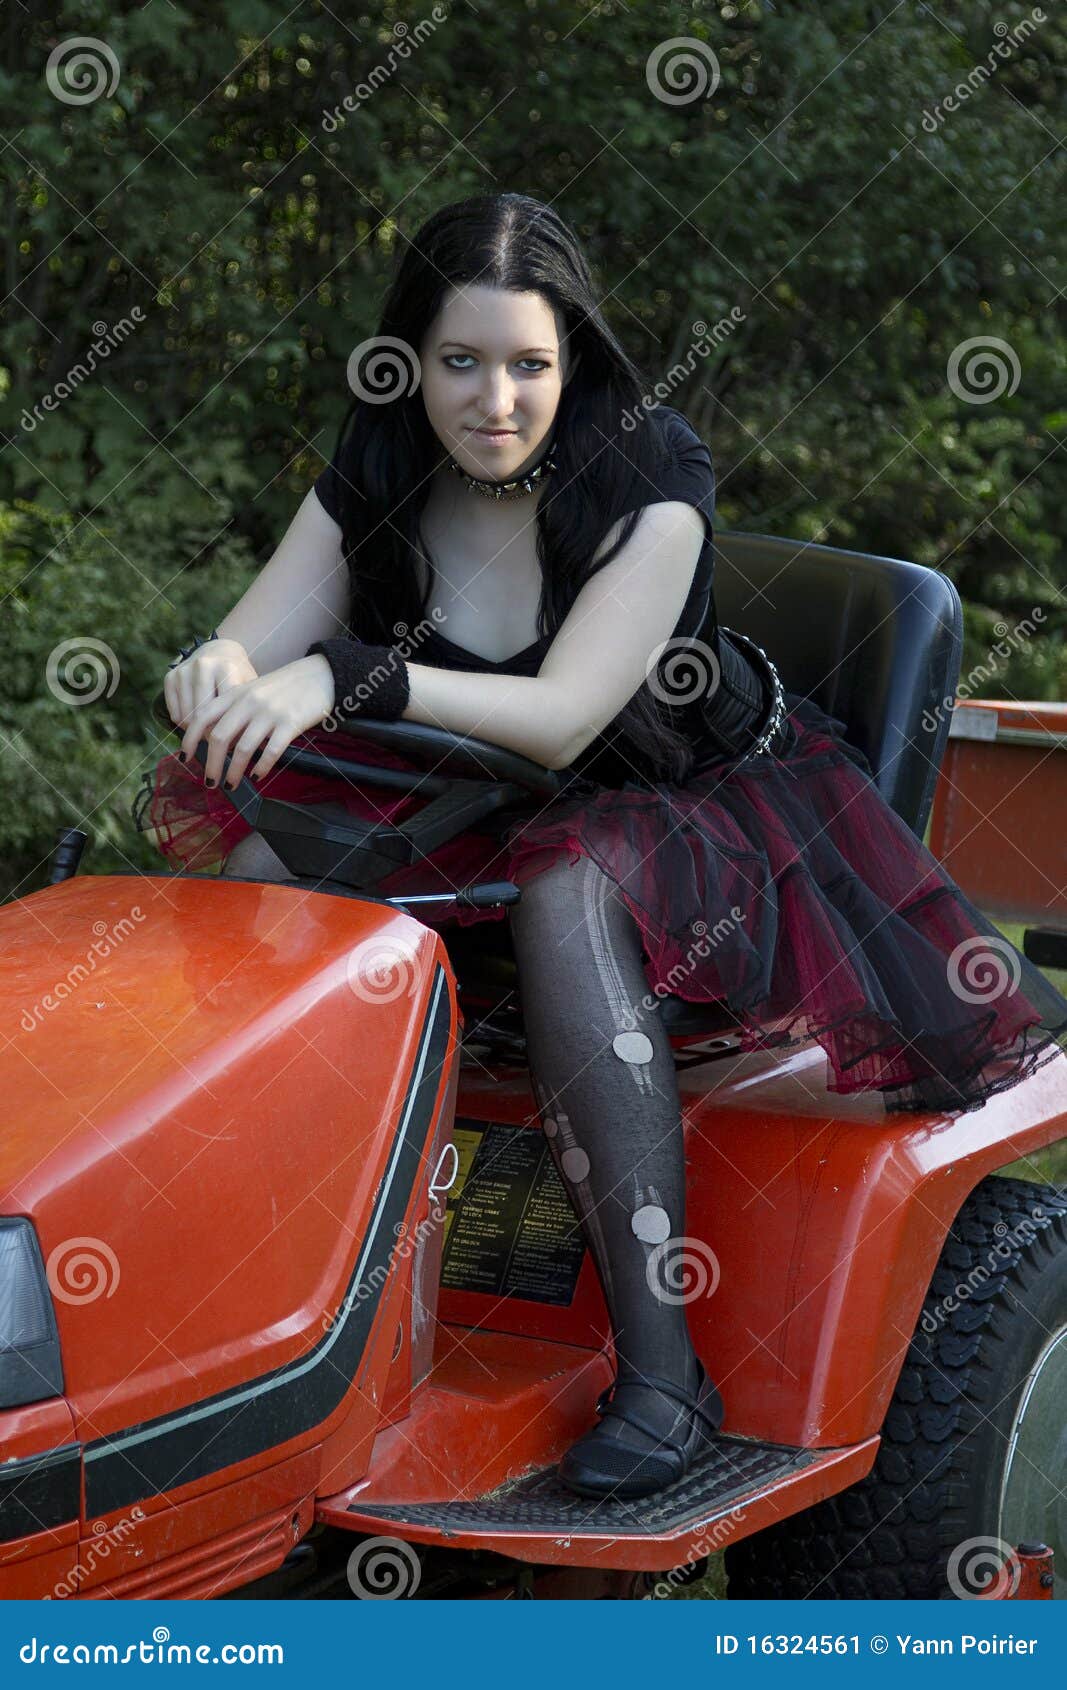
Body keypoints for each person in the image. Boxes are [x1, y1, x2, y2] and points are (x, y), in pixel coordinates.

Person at [132, 191, 1067, 1503]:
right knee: (262, 869)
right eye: (461, 361)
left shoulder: (650, 472)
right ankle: (253, 1318)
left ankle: (665, 1371)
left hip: (701, 824)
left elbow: (569, 719)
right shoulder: (384, 462)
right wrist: (213, 672)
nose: (495, 399)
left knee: (572, 890)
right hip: (468, 797)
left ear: (574, 362)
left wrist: (349, 675)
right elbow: (249, 633)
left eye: (529, 363)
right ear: (413, 360)